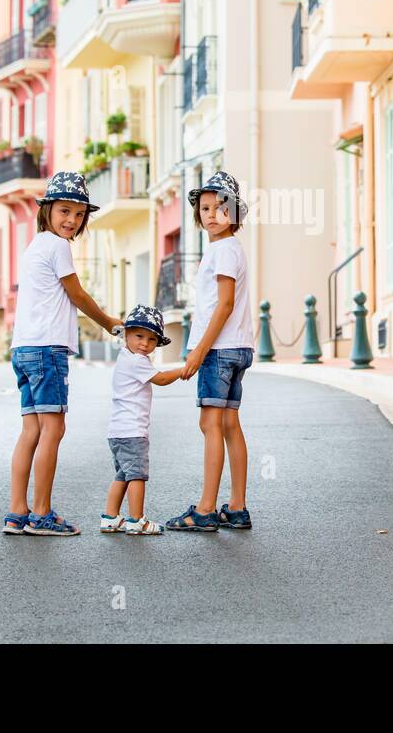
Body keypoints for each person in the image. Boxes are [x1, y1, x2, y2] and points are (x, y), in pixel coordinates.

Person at [3, 171, 121, 537]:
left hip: (23, 347)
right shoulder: (57, 246)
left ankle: (17, 512)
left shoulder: (35, 245)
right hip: (46, 349)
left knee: (31, 431)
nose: (71, 220)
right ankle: (41, 514)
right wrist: (109, 323)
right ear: (47, 210)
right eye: (64, 211)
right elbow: (78, 294)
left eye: (79, 214)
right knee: (54, 429)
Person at [167, 171, 257, 533]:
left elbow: (224, 305)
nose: (211, 213)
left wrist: (199, 351)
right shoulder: (233, 249)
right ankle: (236, 506)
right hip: (239, 347)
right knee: (230, 424)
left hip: (219, 350)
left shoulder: (222, 250)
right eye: (204, 208)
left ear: (235, 214)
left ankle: (205, 509)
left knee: (210, 425)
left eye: (221, 207)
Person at [100, 305, 187, 535]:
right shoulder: (138, 362)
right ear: (127, 334)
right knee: (137, 475)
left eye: (151, 340)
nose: (144, 344)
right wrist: (182, 370)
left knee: (123, 475)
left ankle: (110, 517)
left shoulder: (125, 356)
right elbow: (160, 379)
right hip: (132, 432)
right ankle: (137, 520)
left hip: (117, 432)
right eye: (139, 336)